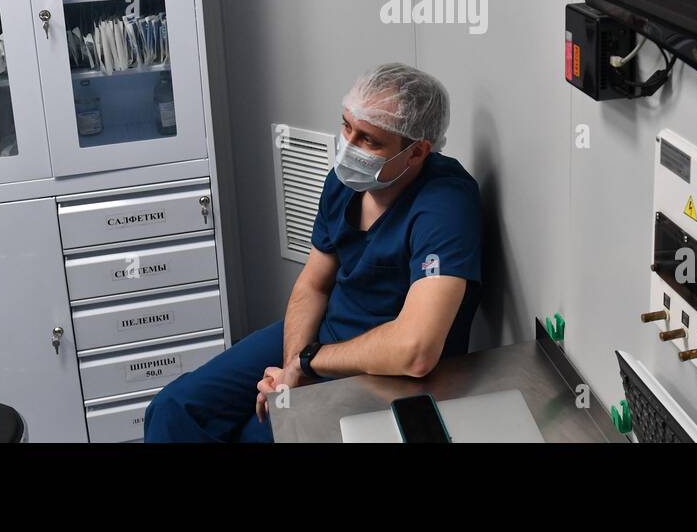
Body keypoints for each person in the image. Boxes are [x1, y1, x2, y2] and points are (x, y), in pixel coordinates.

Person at [143, 63, 482, 442]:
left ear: (417, 152)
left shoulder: (445, 205)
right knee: (173, 410)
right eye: (347, 127)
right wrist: (291, 368)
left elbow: (415, 351)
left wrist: (309, 364)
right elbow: (313, 285)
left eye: (369, 140)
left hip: (384, 371)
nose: (349, 148)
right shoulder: (343, 184)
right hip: (322, 340)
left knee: (254, 435)